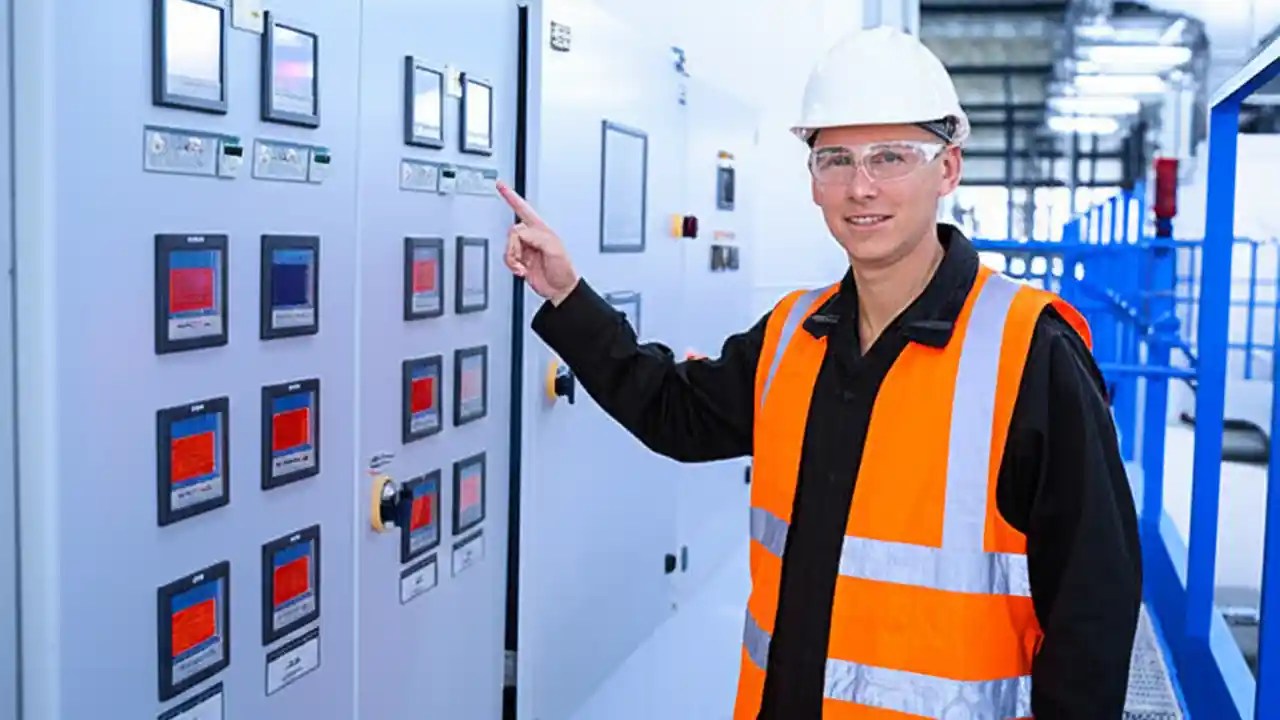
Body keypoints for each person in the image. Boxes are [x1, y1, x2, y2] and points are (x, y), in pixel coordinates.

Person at [498, 25, 1141, 720]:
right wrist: (568, 295)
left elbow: (1093, 610)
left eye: (891, 157)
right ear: (812, 181)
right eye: (835, 159)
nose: (860, 187)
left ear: (948, 169)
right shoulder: (792, 337)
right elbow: (673, 413)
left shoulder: (1030, 352)